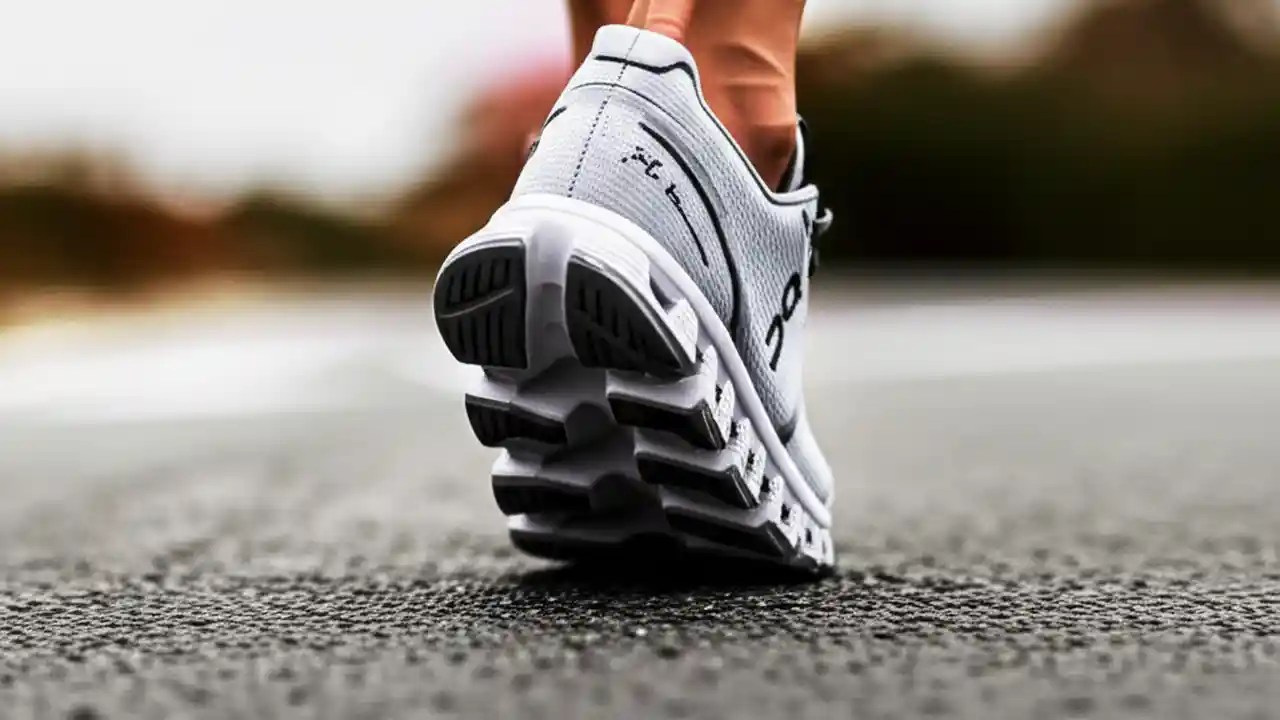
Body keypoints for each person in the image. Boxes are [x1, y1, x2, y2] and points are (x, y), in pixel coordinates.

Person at [433, 0, 834, 574]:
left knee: (622, 29)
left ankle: (595, 109)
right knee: (738, 67)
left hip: (578, 143)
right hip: (694, 166)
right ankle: (735, 119)